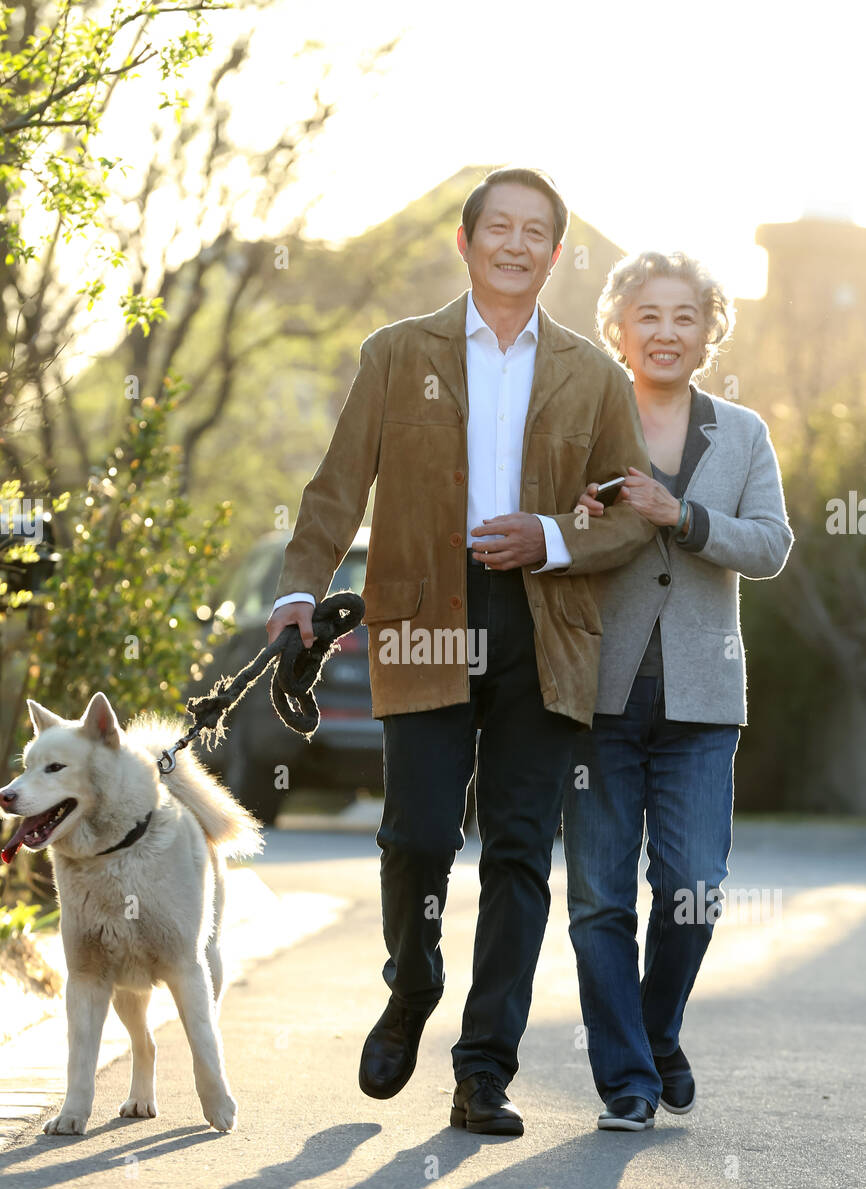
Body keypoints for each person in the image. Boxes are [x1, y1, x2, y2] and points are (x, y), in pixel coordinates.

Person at [266, 167, 655, 1136]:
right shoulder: (397, 353)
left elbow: (630, 513)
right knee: (417, 837)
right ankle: (412, 982)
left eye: (536, 232)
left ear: (556, 255)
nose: (516, 245)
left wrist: (552, 538)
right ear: (465, 239)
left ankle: (483, 1070)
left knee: (519, 852)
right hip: (424, 612)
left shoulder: (593, 374)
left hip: (542, 624)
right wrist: (296, 591)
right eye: (500, 228)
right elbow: (334, 486)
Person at [562, 251, 794, 1131]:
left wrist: (683, 517)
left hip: (703, 701)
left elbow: (771, 546)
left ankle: (655, 1032)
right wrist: (577, 516)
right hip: (595, 699)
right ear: (617, 326)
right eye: (648, 314)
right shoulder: (581, 420)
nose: (666, 331)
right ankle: (626, 1078)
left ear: (709, 333)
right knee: (600, 898)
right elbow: (542, 531)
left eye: (684, 316)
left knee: (694, 887)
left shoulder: (742, 433)